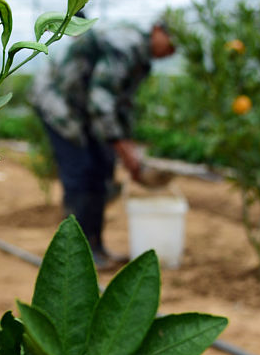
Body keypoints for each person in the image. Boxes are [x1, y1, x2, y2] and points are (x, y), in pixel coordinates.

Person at [29, 19, 175, 269]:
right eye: (172, 44)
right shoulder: (125, 45)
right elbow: (101, 99)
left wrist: (127, 148)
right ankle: (73, 257)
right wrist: (124, 149)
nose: (171, 52)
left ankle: (95, 248)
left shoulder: (140, 58)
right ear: (158, 31)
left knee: (102, 169)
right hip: (59, 103)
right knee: (81, 172)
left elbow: (121, 105)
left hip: (84, 111)